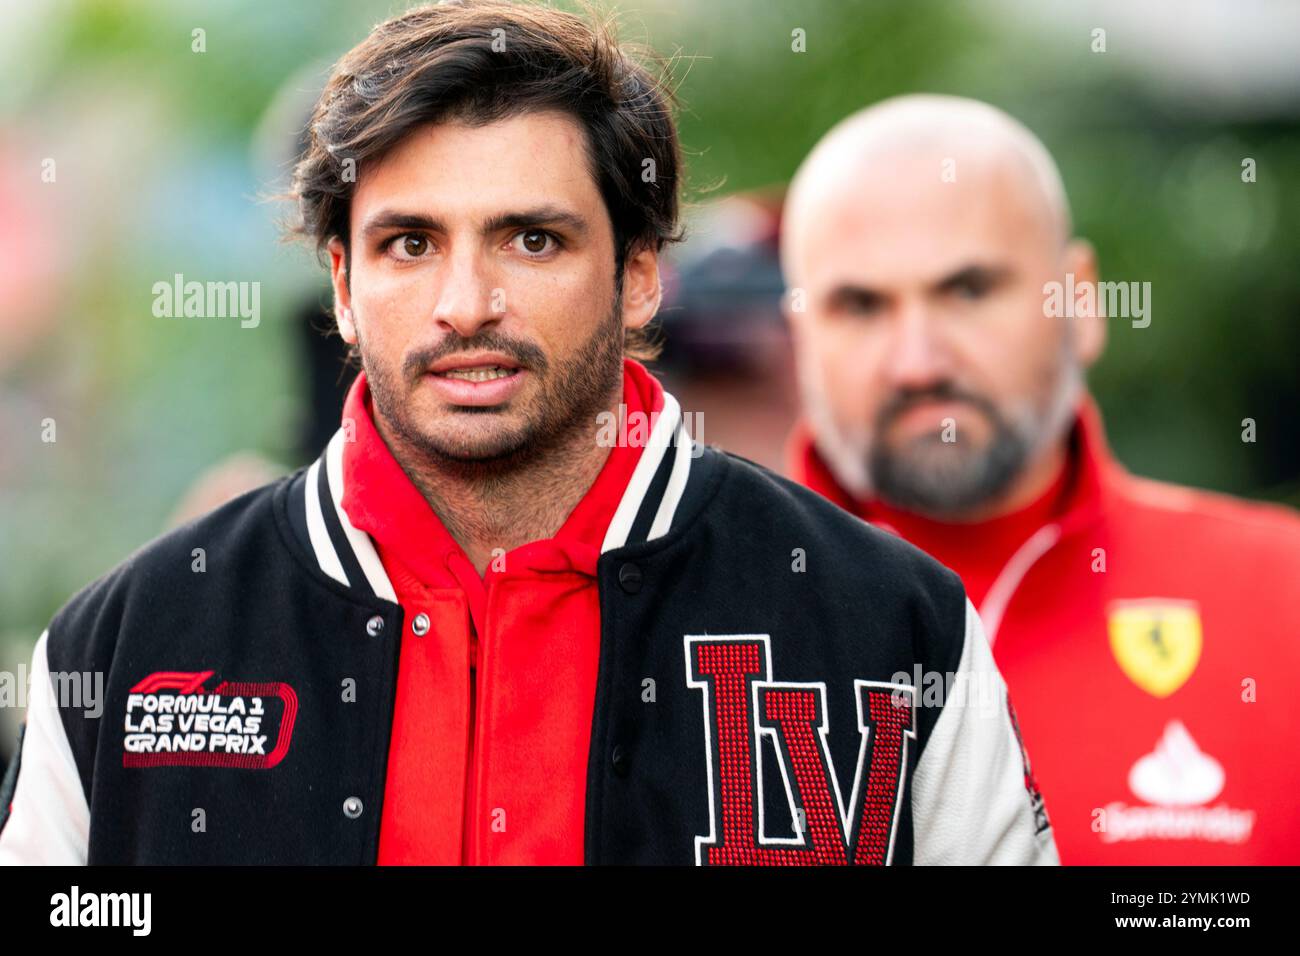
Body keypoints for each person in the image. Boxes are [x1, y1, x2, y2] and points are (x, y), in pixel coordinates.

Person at [0, 4, 1053, 866]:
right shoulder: (127, 644)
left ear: (639, 275)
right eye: (410, 242)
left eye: (532, 238)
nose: (466, 303)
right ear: (343, 285)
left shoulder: (890, 621)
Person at [781, 93, 1300, 864]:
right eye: (859, 305)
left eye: (968, 291)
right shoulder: (673, 608)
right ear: (799, 332)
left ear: (1081, 299)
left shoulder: (1281, 597)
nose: (918, 362)